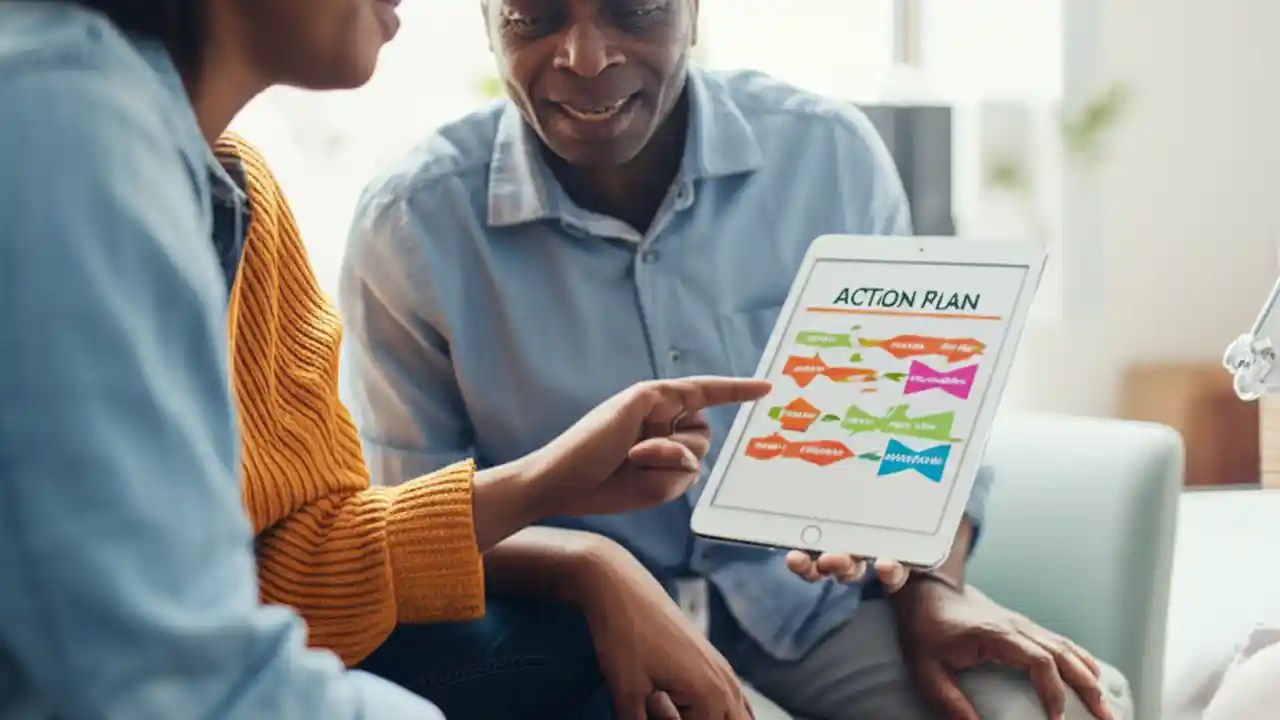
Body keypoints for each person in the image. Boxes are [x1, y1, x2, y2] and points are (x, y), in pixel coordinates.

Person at [339, 1, 1134, 719]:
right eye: (534, 17)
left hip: (817, 608)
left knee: (1058, 705)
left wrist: (932, 585)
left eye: (634, 10)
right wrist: (592, 566)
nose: (583, 54)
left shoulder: (828, 157)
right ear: (488, 22)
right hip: (586, 635)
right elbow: (417, 520)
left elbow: (924, 419)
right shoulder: (412, 225)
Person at [0, 1, 768, 717]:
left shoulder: (233, 188)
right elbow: (154, 678)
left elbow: (296, 561)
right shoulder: (59, 121)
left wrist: (565, 517)